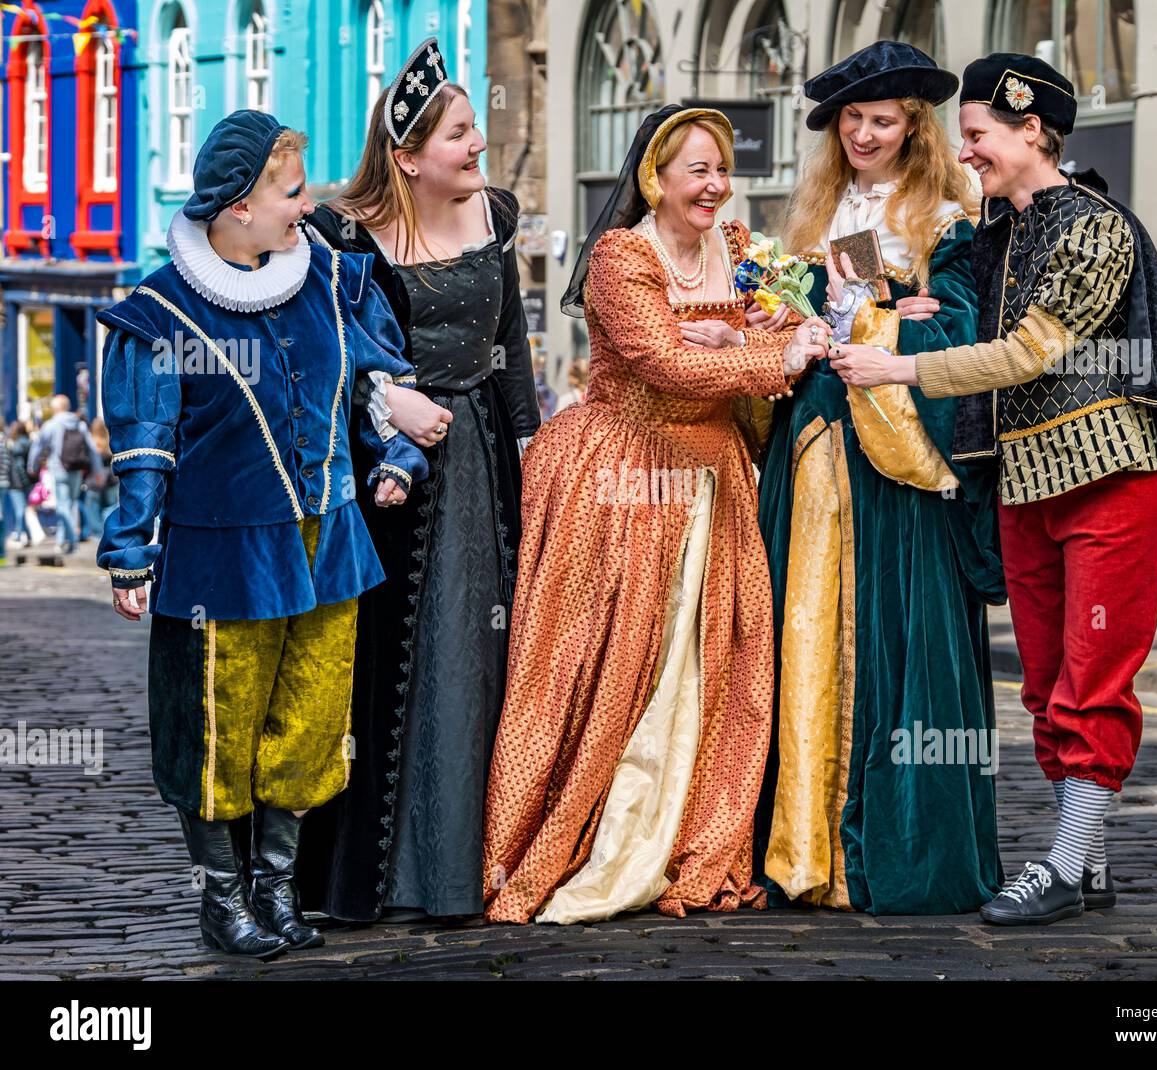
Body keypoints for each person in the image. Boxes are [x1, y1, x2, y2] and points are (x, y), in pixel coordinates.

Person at [834, 53, 1157, 924]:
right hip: (1024, 488)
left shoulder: (1094, 228)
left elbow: (1032, 351)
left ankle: (1068, 863)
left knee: (1091, 682)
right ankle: (1095, 864)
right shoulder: (996, 231)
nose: (963, 152)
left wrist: (900, 364)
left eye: (977, 136)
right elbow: (963, 309)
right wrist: (911, 303)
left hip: (1108, 479)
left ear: (1030, 129)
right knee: (1045, 685)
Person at [481, 104, 829, 925]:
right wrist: (765, 354)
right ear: (655, 179)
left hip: (714, 476)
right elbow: (666, 363)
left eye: (721, 168)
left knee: (715, 668)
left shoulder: (739, 251)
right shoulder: (619, 256)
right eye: (697, 170)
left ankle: (688, 840)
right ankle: (579, 838)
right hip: (624, 478)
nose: (715, 185)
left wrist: (767, 337)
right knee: (606, 667)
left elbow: (778, 319)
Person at [95, 109, 428, 958]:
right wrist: (131, 550)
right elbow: (145, 446)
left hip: (330, 546)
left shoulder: (332, 281)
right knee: (215, 726)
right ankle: (222, 894)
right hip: (220, 556)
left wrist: (393, 453)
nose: (305, 204)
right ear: (238, 207)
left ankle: (278, 886)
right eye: (288, 191)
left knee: (313, 722)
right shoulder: (159, 315)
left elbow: (378, 383)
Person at [749, 41, 1006, 916]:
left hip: (895, 458)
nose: (864, 132)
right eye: (852, 119)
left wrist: (892, 326)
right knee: (801, 627)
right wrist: (788, 323)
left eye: (883, 119)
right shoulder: (822, 208)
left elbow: (966, 334)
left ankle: (891, 850)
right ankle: (802, 845)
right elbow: (821, 312)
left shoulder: (946, 212)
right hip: (815, 435)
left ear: (914, 126)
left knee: (893, 634)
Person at [297, 37, 541, 923]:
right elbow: (317, 351)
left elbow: (510, 347)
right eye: (461, 136)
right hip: (388, 466)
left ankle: (465, 867)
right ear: (406, 158)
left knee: (479, 658)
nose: (480, 145)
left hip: (478, 459)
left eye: (478, 129)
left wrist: (533, 448)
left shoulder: (496, 215)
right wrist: (386, 401)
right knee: (380, 665)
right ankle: (368, 876)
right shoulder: (343, 237)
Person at [27, 396, 100, 554]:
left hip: (59, 470)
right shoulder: (80, 424)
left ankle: (73, 539)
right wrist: (97, 470)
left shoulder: (51, 424)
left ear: (55, 408)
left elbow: (38, 446)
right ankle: (61, 541)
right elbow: (92, 449)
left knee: (61, 508)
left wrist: (31, 465)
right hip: (77, 470)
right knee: (70, 505)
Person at [81, 419, 118, 539]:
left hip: (94, 483)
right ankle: (109, 534)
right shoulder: (111, 441)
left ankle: (99, 538)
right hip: (112, 481)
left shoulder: (91, 443)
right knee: (110, 509)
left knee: (93, 512)